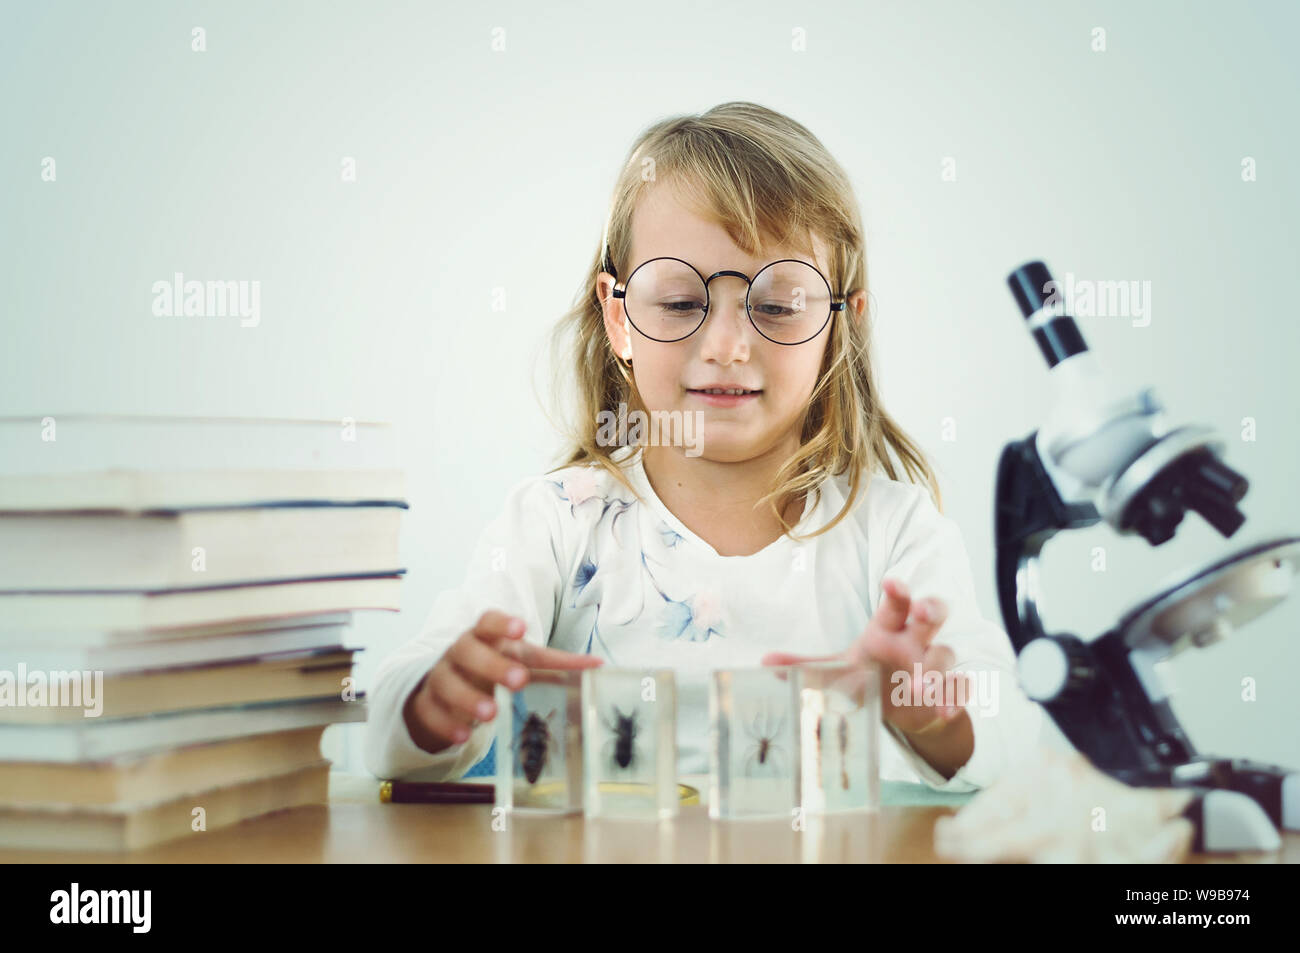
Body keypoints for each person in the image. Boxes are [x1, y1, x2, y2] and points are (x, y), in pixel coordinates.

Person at [365, 101, 1045, 790]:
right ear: (619, 318)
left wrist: (929, 713)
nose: (727, 345)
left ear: (840, 326)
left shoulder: (895, 535)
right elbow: (388, 727)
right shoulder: (556, 523)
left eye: (778, 304)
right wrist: (439, 701)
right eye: (682, 303)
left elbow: (1012, 731)